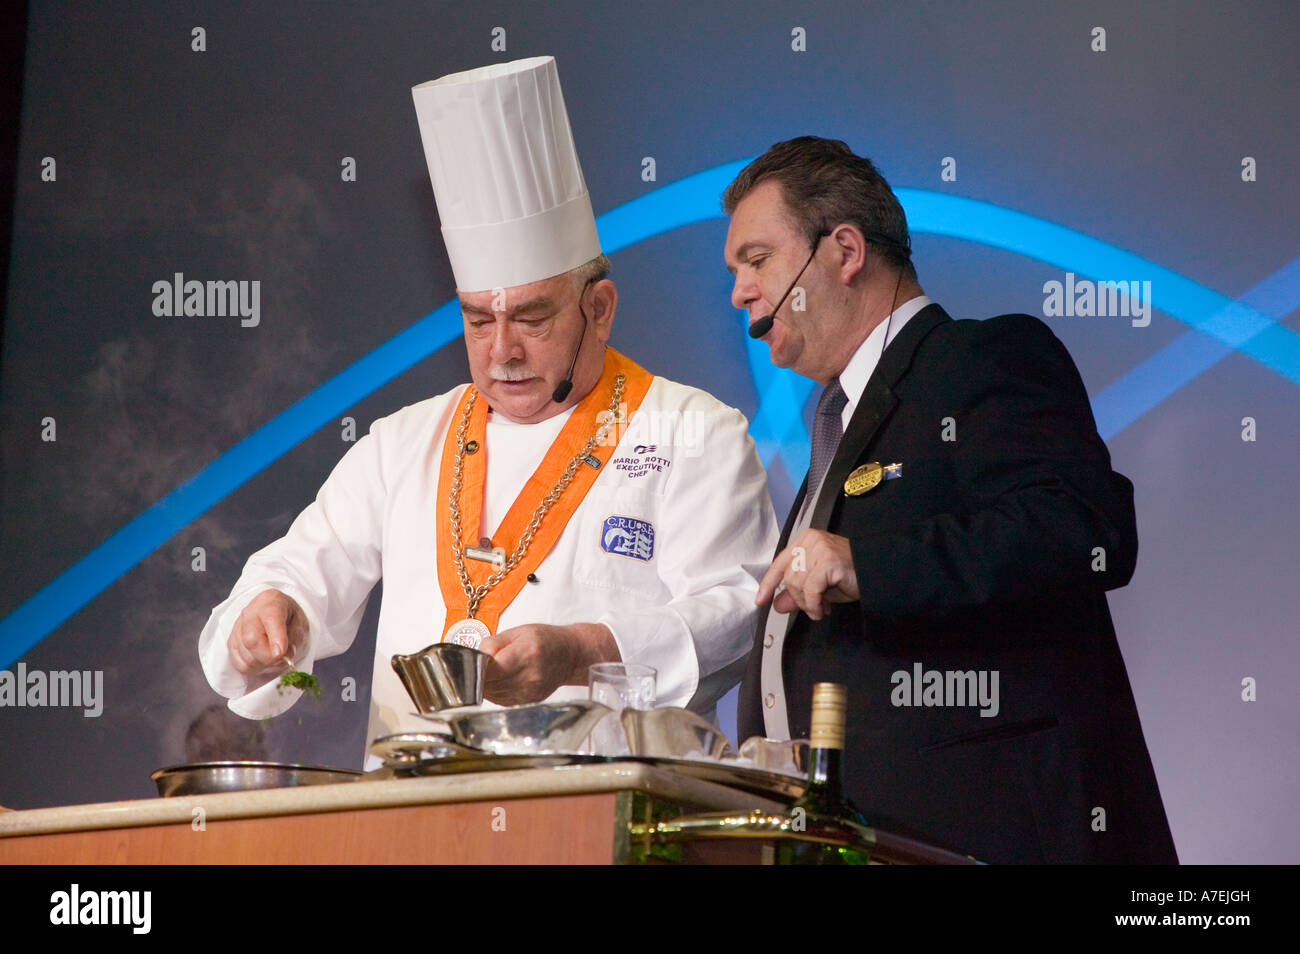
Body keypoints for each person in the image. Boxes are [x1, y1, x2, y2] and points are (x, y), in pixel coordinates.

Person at [198, 57, 777, 757]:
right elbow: (293, 570)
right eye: (477, 322)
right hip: (412, 819)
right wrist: (271, 615)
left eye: (531, 319)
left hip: (598, 817)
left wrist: (582, 651)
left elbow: (738, 617)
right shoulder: (403, 442)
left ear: (599, 309)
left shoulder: (695, 432)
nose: (501, 351)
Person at [724, 136, 1177, 864]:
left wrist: (867, 563)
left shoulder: (979, 358)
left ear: (844, 250)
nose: (741, 292)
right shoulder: (842, 413)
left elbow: (1082, 527)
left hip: (984, 836)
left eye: (756, 260)